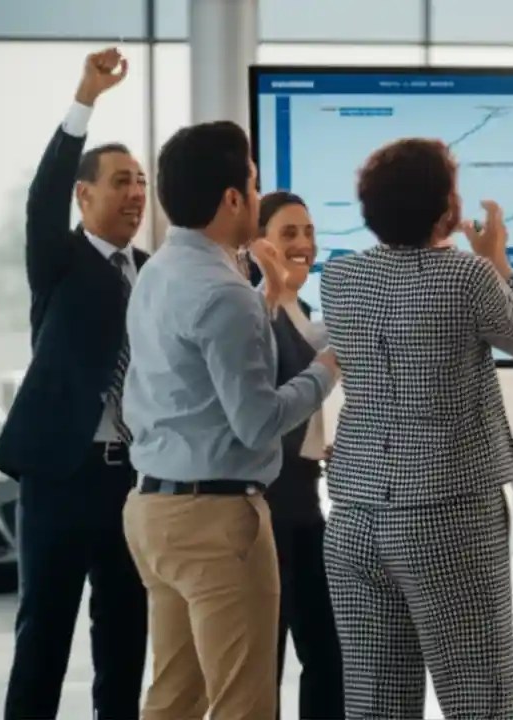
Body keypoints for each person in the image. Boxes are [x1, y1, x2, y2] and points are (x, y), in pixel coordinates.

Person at [319, 138, 513, 719]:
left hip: (354, 517)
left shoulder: (340, 279)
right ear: (446, 206)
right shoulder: (466, 275)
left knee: (376, 706)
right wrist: (496, 257)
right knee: (479, 700)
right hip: (447, 513)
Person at [120, 121, 340, 720]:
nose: (258, 189)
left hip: (153, 512)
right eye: (253, 180)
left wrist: (269, 298)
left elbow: (203, 379)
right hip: (217, 521)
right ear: (233, 199)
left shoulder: (158, 272)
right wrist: (326, 369)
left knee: (173, 699)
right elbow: (257, 420)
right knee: (245, 706)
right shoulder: (225, 291)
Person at [0, 47, 147, 720]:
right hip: (60, 473)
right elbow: (40, 195)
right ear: (85, 195)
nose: (136, 193)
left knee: (126, 640)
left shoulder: (156, 272)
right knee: (44, 638)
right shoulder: (57, 258)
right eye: (121, 181)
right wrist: (86, 97)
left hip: (133, 478)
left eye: (142, 182)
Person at [255, 191, 345, 719]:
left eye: (309, 233)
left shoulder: (305, 312)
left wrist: (320, 443)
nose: (304, 244)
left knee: (328, 656)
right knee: (266, 663)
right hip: (268, 503)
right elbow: (260, 405)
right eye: (289, 233)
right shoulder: (257, 309)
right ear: (258, 242)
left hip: (306, 499)